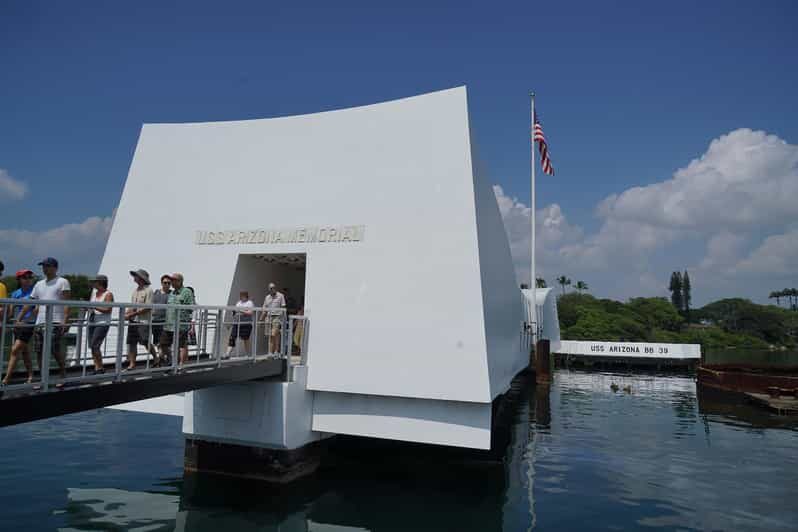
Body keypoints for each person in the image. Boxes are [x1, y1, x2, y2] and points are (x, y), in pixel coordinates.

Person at [17, 257, 70, 386]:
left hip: (55, 321)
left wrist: (65, 321)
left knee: (54, 349)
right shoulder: (39, 284)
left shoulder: (62, 282)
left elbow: (67, 303)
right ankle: (42, 378)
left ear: (55, 268)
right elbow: (30, 302)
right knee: (39, 351)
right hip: (40, 322)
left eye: (47, 266)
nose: (44, 268)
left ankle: (63, 374)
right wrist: (19, 318)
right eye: (43, 266)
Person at [2, 270, 36, 385]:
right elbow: (11, 312)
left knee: (14, 350)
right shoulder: (15, 294)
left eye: (29, 277)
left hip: (29, 324)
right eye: (24, 277)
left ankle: (6, 379)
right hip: (17, 325)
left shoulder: (34, 292)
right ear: (19, 280)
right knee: (25, 352)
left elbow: (37, 309)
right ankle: (31, 375)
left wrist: (25, 320)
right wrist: (5, 322)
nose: (28, 279)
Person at [125, 269, 157, 370]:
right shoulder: (135, 291)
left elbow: (148, 307)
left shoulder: (149, 290)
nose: (134, 277)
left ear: (141, 278)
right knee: (131, 342)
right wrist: (127, 313)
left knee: (145, 341)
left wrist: (133, 313)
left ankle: (156, 358)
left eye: (136, 276)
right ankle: (132, 363)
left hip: (143, 321)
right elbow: (132, 305)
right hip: (133, 320)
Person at [161, 273, 194, 366]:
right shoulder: (172, 293)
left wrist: (181, 308)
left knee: (181, 346)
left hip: (180, 325)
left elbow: (191, 307)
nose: (171, 282)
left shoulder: (186, 291)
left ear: (180, 281)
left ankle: (181, 365)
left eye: (173, 280)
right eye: (171, 280)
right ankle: (172, 360)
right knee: (163, 344)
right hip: (168, 325)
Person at [87, 275, 113, 374]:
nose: (93, 283)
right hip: (92, 321)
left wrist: (94, 306)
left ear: (100, 282)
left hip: (102, 323)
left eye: (94, 282)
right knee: (92, 346)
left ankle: (100, 367)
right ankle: (97, 367)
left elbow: (107, 309)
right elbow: (91, 307)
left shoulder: (108, 294)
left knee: (95, 345)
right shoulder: (94, 293)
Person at [151, 274, 172, 366]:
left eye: (168, 283)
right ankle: (162, 359)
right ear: (161, 283)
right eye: (165, 282)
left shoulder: (172, 294)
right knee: (157, 343)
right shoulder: (156, 292)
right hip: (155, 321)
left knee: (164, 344)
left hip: (165, 322)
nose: (167, 284)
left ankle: (170, 359)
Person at [226, 290, 254, 357]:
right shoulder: (238, 303)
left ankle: (247, 354)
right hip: (237, 323)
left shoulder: (250, 303)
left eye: (242, 296)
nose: (241, 297)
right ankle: (227, 354)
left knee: (245, 339)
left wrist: (241, 311)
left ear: (246, 296)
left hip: (246, 324)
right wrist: (230, 322)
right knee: (232, 337)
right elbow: (235, 313)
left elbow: (250, 313)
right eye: (240, 296)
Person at [261, 283, 286, 354]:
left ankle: (274, 351)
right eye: (270, 288)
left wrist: (282, 319)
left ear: (275, 288)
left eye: (273, 287)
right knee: (270, 335)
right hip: (268, 317)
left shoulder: (281, 296)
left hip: (277, 316)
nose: (272, 289)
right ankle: (272, 351)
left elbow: (283, 307)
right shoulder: (267, 297)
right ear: (268, 289)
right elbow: (264, 309)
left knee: (273, 334)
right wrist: (261, 320)